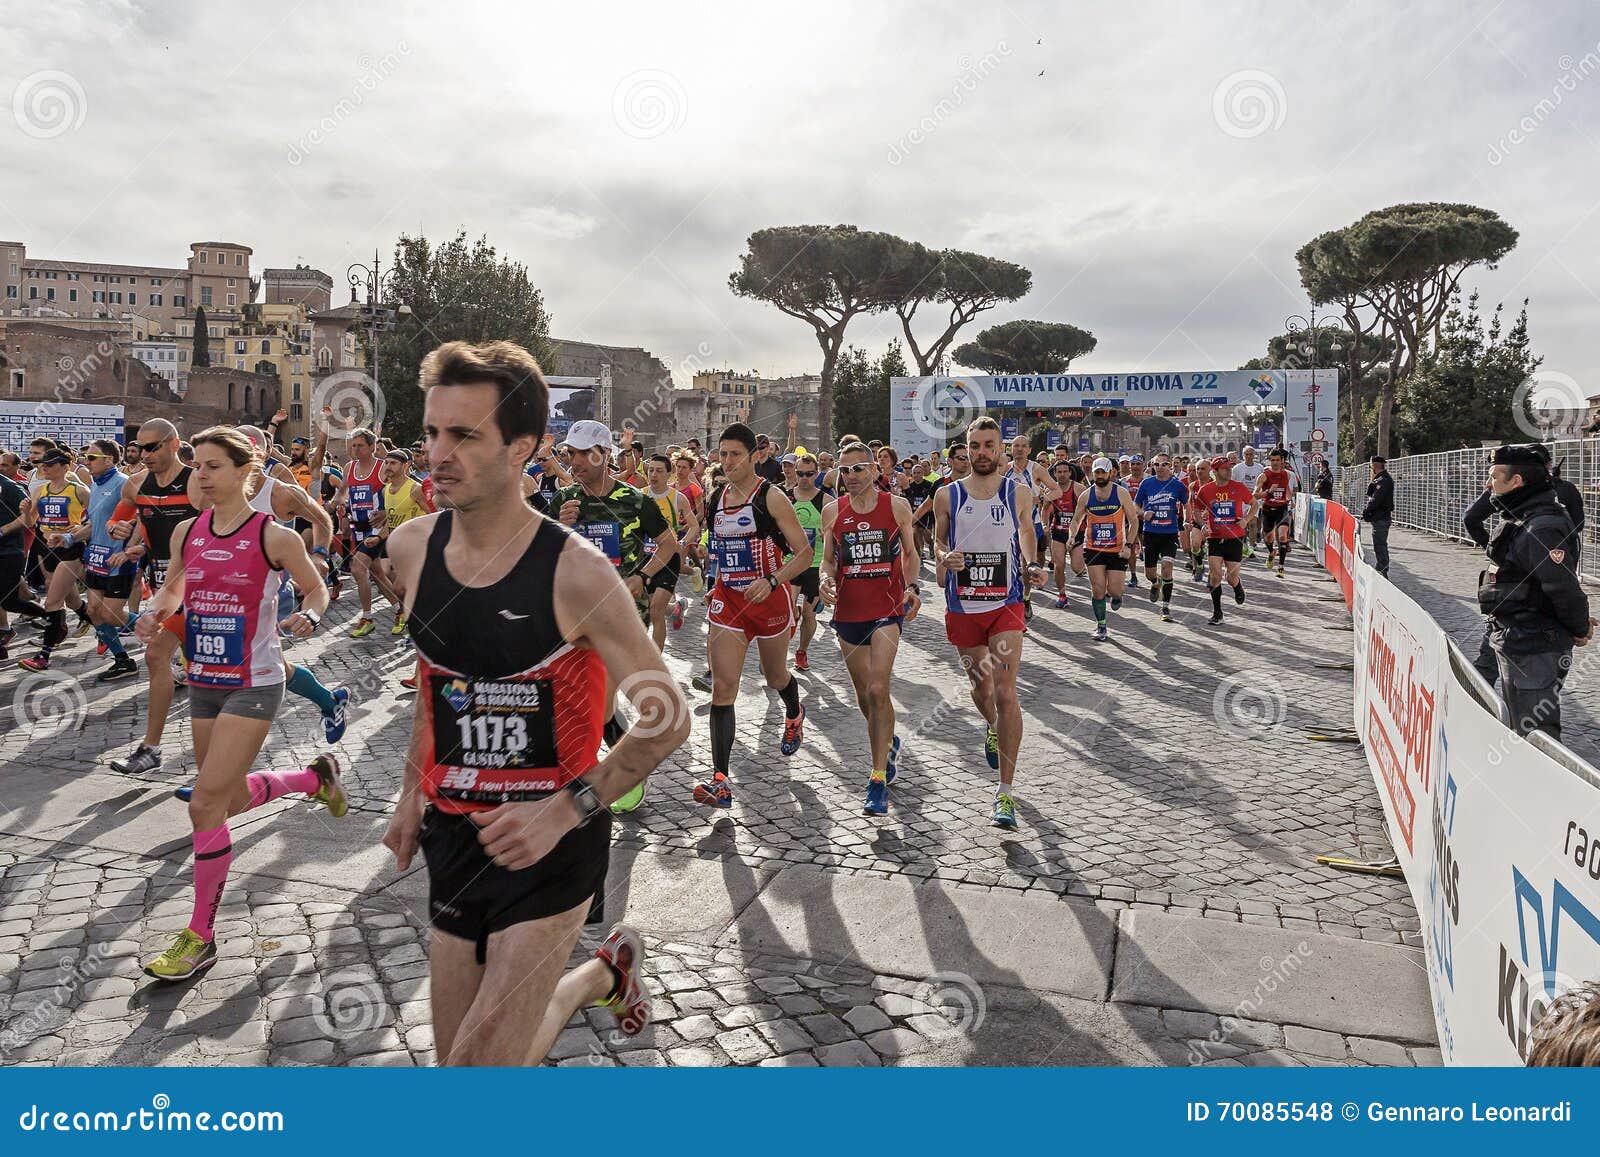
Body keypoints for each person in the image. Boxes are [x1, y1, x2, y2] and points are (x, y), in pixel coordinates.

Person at [381, 340, 689, 1065]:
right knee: (476, 1060)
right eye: (431, 432)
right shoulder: (410, 550)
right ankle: (602, 974)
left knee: (476, 1069)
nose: (438, 453)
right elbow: (436, 684)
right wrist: (409, 793)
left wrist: (568, 807)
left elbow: (667, 715)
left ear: (522, 446)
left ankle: (595, 968)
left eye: (464, 435)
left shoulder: (577, 573)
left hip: (552, 839)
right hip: (458, 837)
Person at [135, 427, 342, 980]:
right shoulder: (188, 531)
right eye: (196, 465)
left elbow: (317, 588)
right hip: (204, 679)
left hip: (256, 680)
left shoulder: (273, 536)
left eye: (210, 467)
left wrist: (312, 615)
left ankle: (199, 935)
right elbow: (175, 589)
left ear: (243, 472)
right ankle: (311, 781)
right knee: (221, 802)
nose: (198, 475)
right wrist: (154, 611)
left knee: (203, 804)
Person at [694, 423, 813, 809]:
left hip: (769, 600)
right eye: (722, 453)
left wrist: (773, 580)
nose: (726, 461)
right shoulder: (716, 498)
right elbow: (719, 547)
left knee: (774, 674)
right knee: (723, 687)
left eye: (734, 454)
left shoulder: (771, 497)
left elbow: (805, 554)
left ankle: (794, 712)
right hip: (729, 602)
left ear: (753, 456)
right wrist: (713, 577)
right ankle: (720, 781)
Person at [933, 417, 1043, 830]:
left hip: (1006, 604)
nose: (981, 452)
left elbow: (1028, 531)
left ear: (1001, 450)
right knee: (981, 689)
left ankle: (1005, 793)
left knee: (1006, 691)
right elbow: (939, 541)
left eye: (989, 445)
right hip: (963, 606)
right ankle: (993, 726)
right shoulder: (948, 495)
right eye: (974, 446)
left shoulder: (1018, 492)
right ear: (966, 449)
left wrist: (1034, 565)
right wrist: (944, 557)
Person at [819, 443, 920, 815]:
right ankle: (888, 739)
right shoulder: (832, 512)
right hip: (848, 610)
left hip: (887, 610)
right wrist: (826, 581)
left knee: (879, 687)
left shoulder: (896, 507)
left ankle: (877, 779)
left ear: (875, 470)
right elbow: (827, 562)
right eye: (845, 471)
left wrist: (911, 587)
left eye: (859, 469)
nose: (851, 476)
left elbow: (910, 554)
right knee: (865, 696)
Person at [1477, 444, 1592, 740]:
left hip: (1535, 643)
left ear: (1516, 482)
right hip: (1518, 638)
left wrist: (1579, 627)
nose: (1487, 484)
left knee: (1535, 734)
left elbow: (1562, 587)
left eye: (1494, 476)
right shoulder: (1522, 516)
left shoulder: (1541, 526)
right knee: (1520, 727)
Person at [107, 420, 200, 775]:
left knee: (162, 656)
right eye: (139, 448)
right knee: (161, 658)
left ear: (174, 444)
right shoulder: (135, 485)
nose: (144, 455)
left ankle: (324, 698)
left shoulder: (196, 483)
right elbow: (121, 521)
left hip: (200, 589)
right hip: (165, 586)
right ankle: (152, 750)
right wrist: (126, 536)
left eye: (152, 447)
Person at [16, 449, 90, 671]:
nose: (44, 467)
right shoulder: (41, 489)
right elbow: (31, 522)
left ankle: (44, 655)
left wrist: (77, 530)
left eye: (49, 464)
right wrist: (28, 511)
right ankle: (106, 634)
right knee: (72, 601)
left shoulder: (79, 490)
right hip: (46, 547)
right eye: (42, 464)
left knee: (52, 601)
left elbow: (97, 518)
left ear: (65, 466)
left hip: (70, 548)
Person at [1069, 457, 1140, 641]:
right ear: (1092, 473)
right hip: (1093, 548)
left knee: (1115, 591)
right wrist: (1072, 535)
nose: (1099, 476)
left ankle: (1117, 596)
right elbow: (1077, 519)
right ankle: (1101, 625)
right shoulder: (1086, 495)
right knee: (1098, 589)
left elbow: (1133, 521)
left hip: (1117, 550)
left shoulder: (1121, 493)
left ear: (1111, 473)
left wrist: (1129, 545)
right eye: (1096, 472)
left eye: (1102, 472)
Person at [641, 452, 697, 650]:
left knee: (656, 610)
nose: (653, 475)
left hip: (668, 559)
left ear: (669, 474)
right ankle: (676, 608)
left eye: (659, 471)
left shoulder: (677, 498)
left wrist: (683, 544)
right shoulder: (640, 495)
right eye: (650, 470)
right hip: (645, 558)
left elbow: (694, 526)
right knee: (647, 608)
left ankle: (655, 662)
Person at [336, 427, 387, 636]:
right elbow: (342, 495)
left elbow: (399, 491)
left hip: (378, 529)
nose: (356, 449)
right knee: (378, 574)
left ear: (372, 446)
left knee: (358, 570)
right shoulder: (349, 467)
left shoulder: (383, 467)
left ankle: (366, 617)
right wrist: (340, 512)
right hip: (358, 528)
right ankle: (401, 610)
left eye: (360, 445)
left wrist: (386, 511)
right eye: (353, 445)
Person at [1196, 457, 1255, 626]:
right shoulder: (1206, 490)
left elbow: (1254, 504)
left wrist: (1246, 519)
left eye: (1230, 467)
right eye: (1224, 469)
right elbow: (1197, 511)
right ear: (1215, 472)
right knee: (1215, 575)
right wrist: (1203, 525)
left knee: (1231, 577)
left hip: (1235, 537)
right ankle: (1217, 612)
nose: (1229, 471)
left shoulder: (1239, 487)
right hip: (1214, 537)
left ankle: (1237, 586)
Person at [785, 452, 829, 671]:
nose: (804, 478)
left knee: (809, 613)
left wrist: (827, 535)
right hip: (789, 562)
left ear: (816, 474)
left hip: (815, 563)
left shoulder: (826, 501)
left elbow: (835, 534)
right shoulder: (785, 497)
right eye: (800, 473)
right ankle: (780, 651)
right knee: (788, 608)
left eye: (809, 474)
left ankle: (801, 652)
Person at [1134, 453, 1188, 622]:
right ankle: (1155, 582)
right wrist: (1143, 513)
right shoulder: (1146, 483)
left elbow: (1186, 504)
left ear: (1170, 465)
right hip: (1150, 533)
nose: (1160, 467)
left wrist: (1186, 519)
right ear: (1153, 466)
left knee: (1167, 568)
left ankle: (1165, 607)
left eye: (1164, 464)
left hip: (1169, 533)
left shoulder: (1177, 485)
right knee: (1149, 573)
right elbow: (1135, 505)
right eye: (1157, 464)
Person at [1045, 459, 1084, 609]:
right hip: (1058, 532)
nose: (1062, 475)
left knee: (1077, 568)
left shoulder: (1079, 489)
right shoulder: (1051, 490)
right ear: (1054, 474)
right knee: (1059, 565)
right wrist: (1044, 524)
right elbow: (1045, 510)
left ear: (1069, 473)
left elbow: (1087, 509)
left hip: (1076, 533)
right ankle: (1062, 595)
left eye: (1064, 472)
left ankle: (1085, 564)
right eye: (1059, 472)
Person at [1254, 448, 1296, 577]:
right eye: (1272, 460)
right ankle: (1271, 552)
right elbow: (1255, 495)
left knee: (1283, 536)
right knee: (1267, 537)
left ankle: (1281, 568)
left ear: (1282, 461)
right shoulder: (1264, 475)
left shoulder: (1287, 475)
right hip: (1267, 509)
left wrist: (1290, 499)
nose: (1275, 463)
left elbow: (1288, 492)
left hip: (1282, 509)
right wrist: (1268, 492)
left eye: (1277, 460)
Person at [1361, 455, 1394, 577]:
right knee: (1378, 544)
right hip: (1378, 517)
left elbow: (1376, 499)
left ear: (1375, 465)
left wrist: (1368, 510)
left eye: (1371, 465)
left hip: (1382, 517)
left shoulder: (1384, 480)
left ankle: (1382, 570)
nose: (1371, 468)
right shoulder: (1379, 479)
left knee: (1380, 544)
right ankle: (1381, 568)